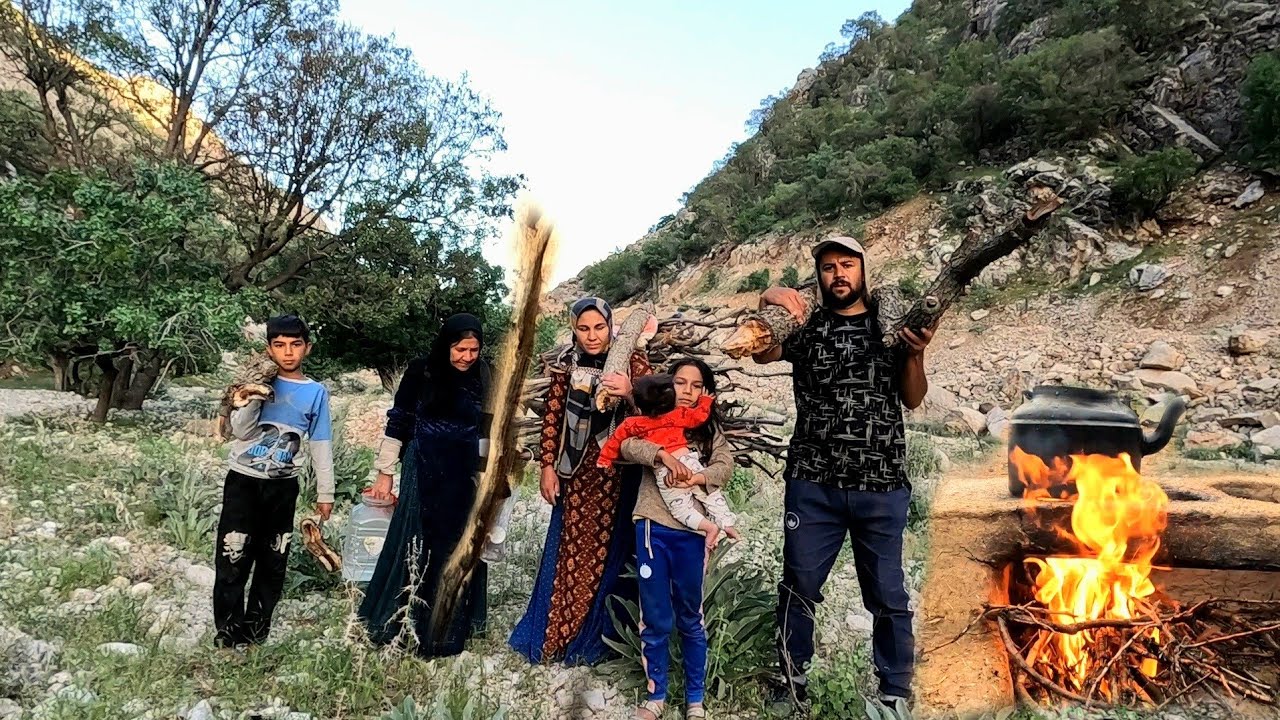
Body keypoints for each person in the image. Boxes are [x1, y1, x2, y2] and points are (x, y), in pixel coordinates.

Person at [753, 236, 935, 709]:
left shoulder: (889, 324)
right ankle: (791, 681)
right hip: (814, 483)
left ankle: (895, 691)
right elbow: (760, 351)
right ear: (819, 275)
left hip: (881, 483)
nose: (838, 274)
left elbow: (913, 398)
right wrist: (769, 296)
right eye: (829, 266)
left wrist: (915, 354)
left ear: (862, 270)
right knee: (799, 586)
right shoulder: (806, 325)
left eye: (847, 264)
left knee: (888, 594)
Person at [509, 297, 651, 665]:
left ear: (611, 327)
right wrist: (547, 467)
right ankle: (558, 632)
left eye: (599, 327)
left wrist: (630, 392)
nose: (592, 336)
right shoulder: (567, 365)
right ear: (574, 330)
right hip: (576, 474)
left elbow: (654, 417)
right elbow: (553, 419)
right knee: (570, 550)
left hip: (620, 474)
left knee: (614, 550)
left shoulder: (632, 363)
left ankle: (603, 638)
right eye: (584, 328)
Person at [358, 313, 492, 657]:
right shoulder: (422, 371)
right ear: (446, 345)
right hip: (423, 464)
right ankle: (403, 621)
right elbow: (399, 419)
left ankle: (448, 626)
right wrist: (385, 471)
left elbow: (487, 427)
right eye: (460, 349)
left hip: (463, 469)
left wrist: (485, 473)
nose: (467, 357)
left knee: (459, 540)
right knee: (416, 538)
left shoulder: (484, 374)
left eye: (473, 350)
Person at [613, 357, 738, 720]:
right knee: (654, 616)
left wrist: (696, 478)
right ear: (669, 386)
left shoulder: (707, 428)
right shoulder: (652, 418)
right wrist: (663, 455)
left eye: (696, 385)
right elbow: (625, 446)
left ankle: (695, 699)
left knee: (691, 616)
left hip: (693, 534)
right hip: (652, 528)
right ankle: (656, 697)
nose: (687, 391)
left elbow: (724, 465)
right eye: (680, 383)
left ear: (704, 391)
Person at [216, 314, 335, 648]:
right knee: (233, 553)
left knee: (273, 558)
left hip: (283, 487)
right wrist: (255, 392)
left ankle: (256, 633)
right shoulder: (252, 382)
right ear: (269, 349)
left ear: (307, 348)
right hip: (243, 482)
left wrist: (326, 492)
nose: (288, 352)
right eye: (279, 345)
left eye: (295, 345)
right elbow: (240, 431)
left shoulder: (315, 392)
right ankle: (227, 632)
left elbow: (321, 443)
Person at [597, 375, 737, 545]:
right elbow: (699, 417)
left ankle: (708, 527)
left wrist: (605, 458)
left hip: (666, 472)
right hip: (690, 461)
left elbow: (615, 441)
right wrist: (705, 401)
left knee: (680, 508)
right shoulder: (679, 414)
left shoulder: (633, 423)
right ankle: (727, 523)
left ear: (639, 408)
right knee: (710, 494)